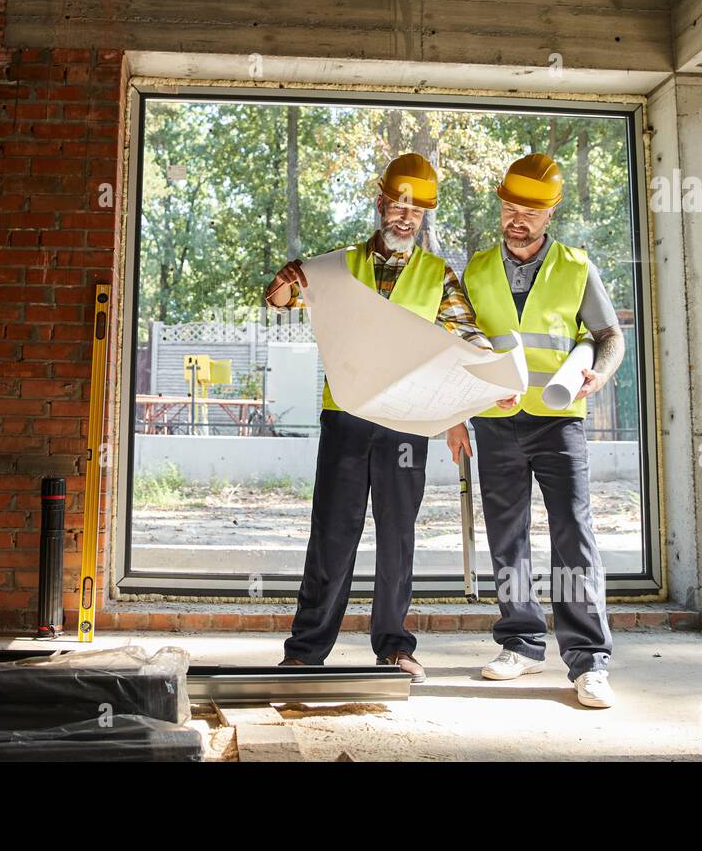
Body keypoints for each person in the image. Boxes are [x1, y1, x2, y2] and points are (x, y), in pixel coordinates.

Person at [265, 153, 493, 683]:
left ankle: (394, 646)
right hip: (345, 416)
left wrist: (476, 395)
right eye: (398, 206)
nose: (406, 218)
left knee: (398, 534)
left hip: (406, 423)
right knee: (332, 533)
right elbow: (281, 299)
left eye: (416, 211)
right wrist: (281, 285)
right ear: (382, 204)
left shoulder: (439, 275)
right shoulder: (338, 265)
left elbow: (466, 339)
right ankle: (305, 650)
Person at [445, 152, 625, 708]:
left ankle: (589, 662)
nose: (515, 219)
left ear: (550, 214)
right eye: (508, 208)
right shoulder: (474, 270)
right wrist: (455, 417)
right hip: (494, 421)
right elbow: (456, 347)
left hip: (558, 420)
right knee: (507, 535)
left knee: (573, 532)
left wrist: (600, 373)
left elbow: (609, 335)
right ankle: (520, 644)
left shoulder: (576, 267)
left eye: (528, 211)